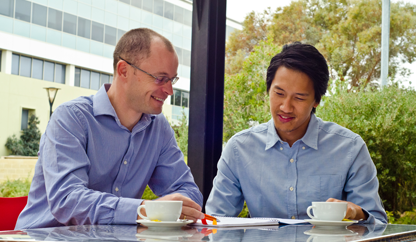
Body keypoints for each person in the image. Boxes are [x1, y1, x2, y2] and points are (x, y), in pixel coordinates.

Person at [15, 28, 204, 229]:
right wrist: (144, 211)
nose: (169, 91)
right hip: (46, 237)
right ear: (123, 70)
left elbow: (187, 191)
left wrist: (181, 205)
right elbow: (68, 200)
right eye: (160, 78)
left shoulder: (158, 128)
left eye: (172, 80)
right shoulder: (70, 118)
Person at [205, 42, 387, 224]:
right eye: (279, 93)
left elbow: (378, 224)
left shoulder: (350, 148)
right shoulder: (239, 148)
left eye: (299, 98)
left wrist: (357, 213)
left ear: (316, 100)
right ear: (269, 90)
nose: (286, 107)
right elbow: (216, 221)